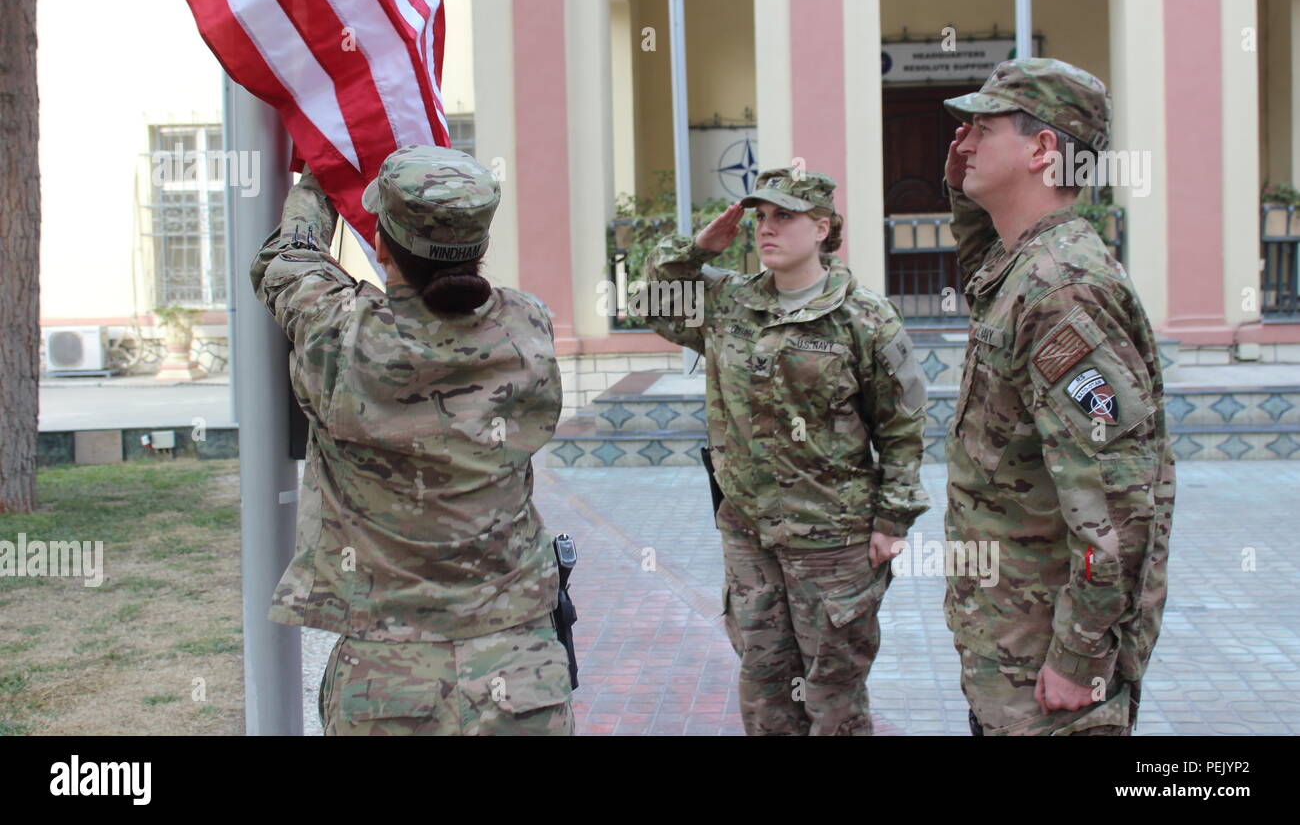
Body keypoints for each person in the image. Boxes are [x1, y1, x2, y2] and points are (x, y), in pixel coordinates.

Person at [250, 144, 573, 736]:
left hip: (387, 677)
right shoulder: (527, 325)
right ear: (481, 244)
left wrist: (321, 167)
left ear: (379, 243)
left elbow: (290, 257)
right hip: (519, 667)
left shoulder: (339, 331)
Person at [640, 168, 930, 735]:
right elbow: (653, 302)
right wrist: (697, 250)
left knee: (833, 694)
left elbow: (901, 424)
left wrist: (893, 519)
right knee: (764, 685)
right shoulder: (728, 301)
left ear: (822, 227)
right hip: (749, 532)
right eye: (761, 217)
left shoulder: (863, 317)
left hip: (833, 538)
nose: (767, 229)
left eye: (785, 217)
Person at [941, 58, 1176, 735]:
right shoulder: (1023, 266)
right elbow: (981, 262)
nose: (962, 142)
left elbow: (1117, 499)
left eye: (981, 128)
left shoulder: (1062, 288)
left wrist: (1080, 655)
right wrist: (964, 188)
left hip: (1048, 672)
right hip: (1010, 647)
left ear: (1043, 149)